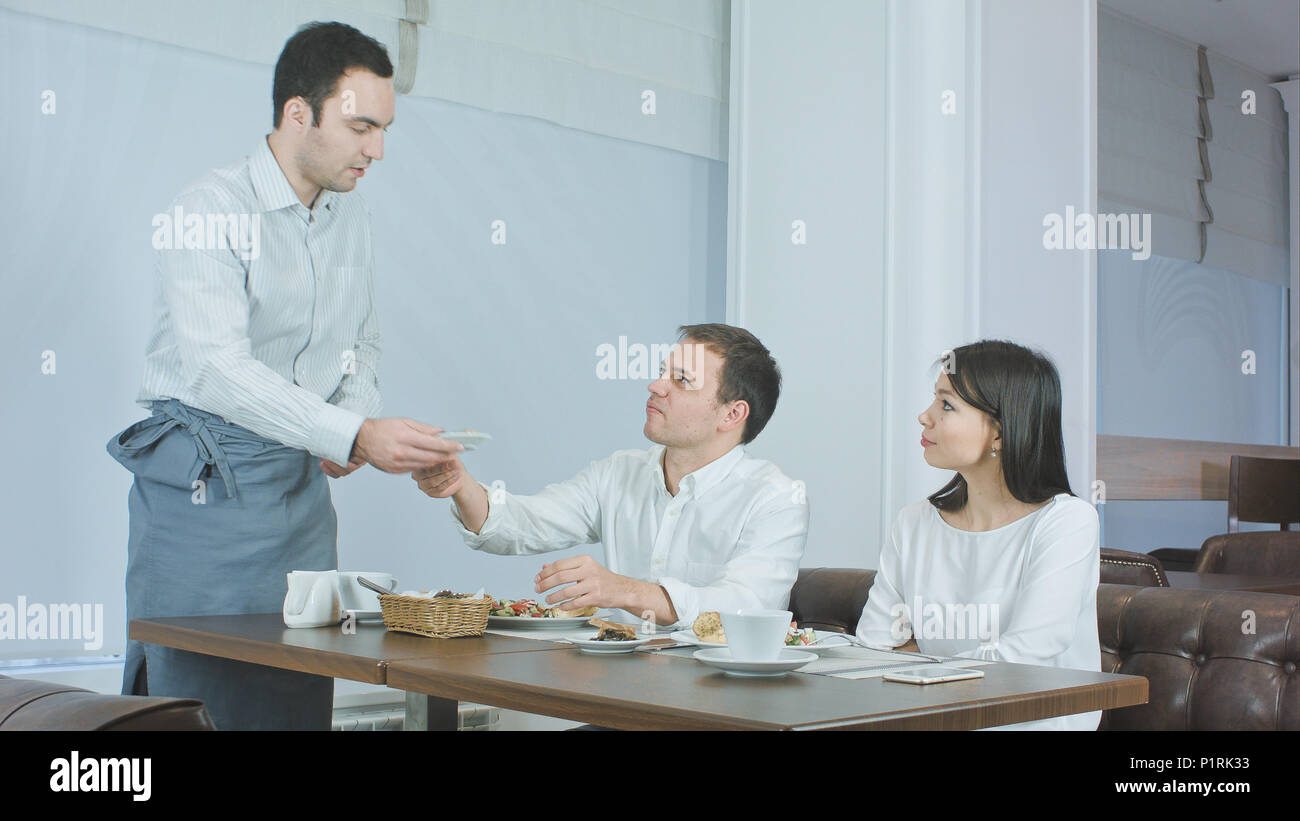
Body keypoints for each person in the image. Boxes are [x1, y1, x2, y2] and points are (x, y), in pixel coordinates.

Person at [106, 22, 462, 730]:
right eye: (361, 126)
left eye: (384, 129)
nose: (378, 150)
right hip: (205, 491)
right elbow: (217, 372)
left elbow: (362, 341)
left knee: (296, 688)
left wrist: (346, 430)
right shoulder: (207, 211)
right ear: (298, 113)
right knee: (193, 696)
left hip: (299, 496)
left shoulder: (349, 217)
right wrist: (353, 430)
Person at [413, 324, 809, 629]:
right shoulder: (620, 472)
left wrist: (625, 591)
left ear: (731, 414)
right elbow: (522, 525)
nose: (655, 386)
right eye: (662, 373)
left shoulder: (775, 499)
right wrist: (461, 486)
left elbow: (747, 608)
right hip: (622, 699)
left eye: (681, 380)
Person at [855, 340, 1101, 730]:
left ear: (1000, 433)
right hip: (933, 720)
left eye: (946, 405)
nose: (924, 416)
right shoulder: (914, 522)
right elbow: (873, 645)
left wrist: (921, 658)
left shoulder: (1067, 521)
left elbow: (1026, 655)